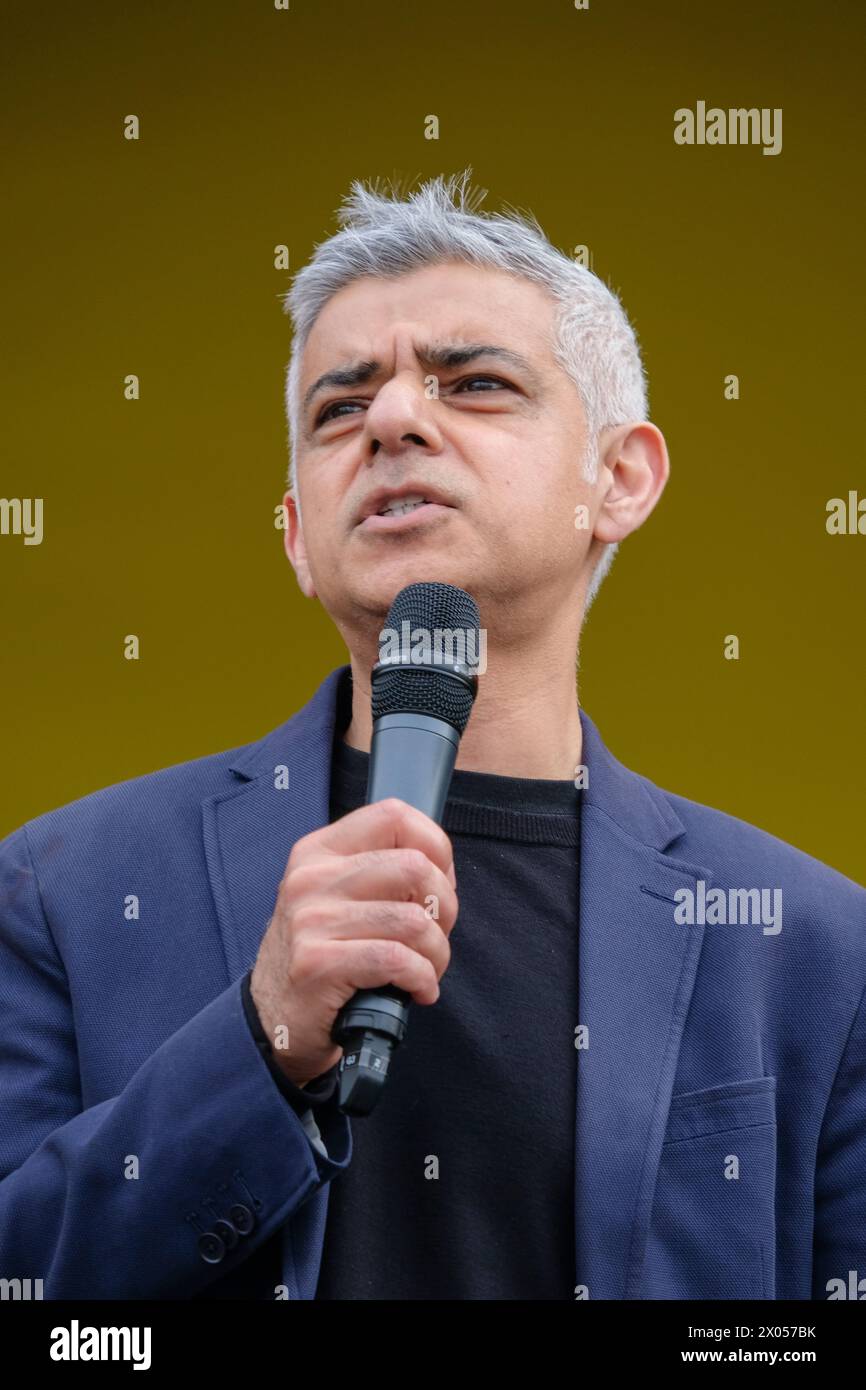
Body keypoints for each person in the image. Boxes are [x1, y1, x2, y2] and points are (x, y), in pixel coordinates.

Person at [1, 171, 864, 1300]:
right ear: (298, 534)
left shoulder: (811, 948)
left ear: (618, 477)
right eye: (339, 407)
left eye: (474, 381)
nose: (396, 420)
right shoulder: (65, 889)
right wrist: (256, 1040)